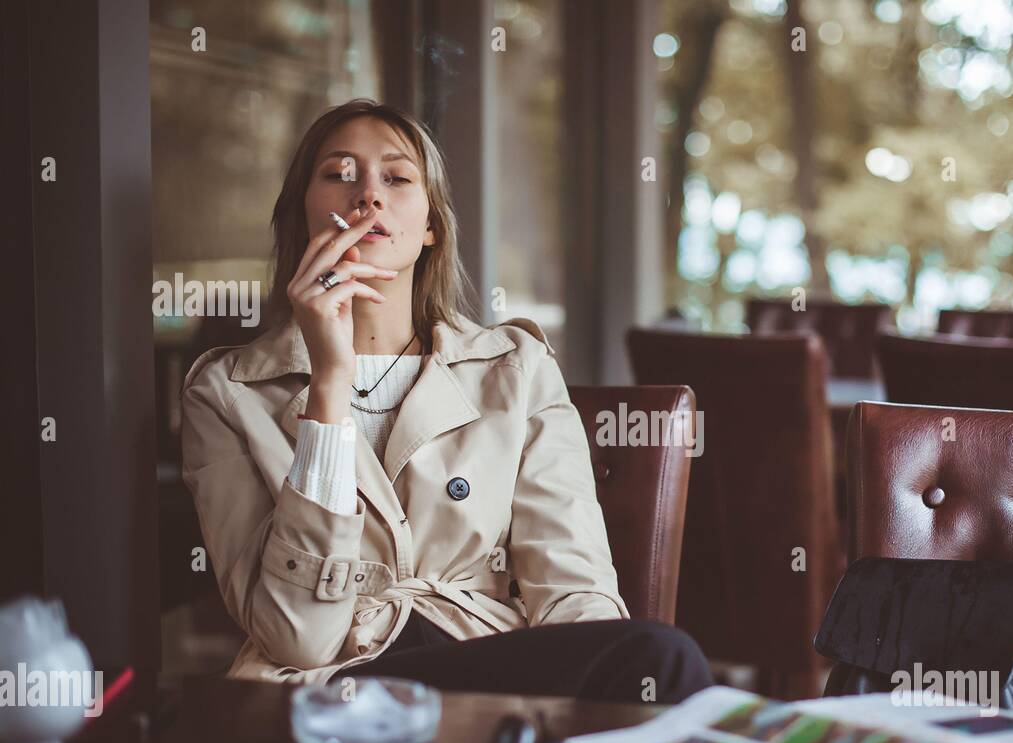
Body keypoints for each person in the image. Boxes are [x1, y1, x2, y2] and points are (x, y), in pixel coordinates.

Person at [180, 99, 712, 705]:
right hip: (332, 691)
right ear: (303, 216)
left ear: (430, 225)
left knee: (661, 658)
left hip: (485, 669)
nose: (368, 196)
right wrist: (328, 381)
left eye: (397, 178)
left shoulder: (516, 368)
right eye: (339, 174)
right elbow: (297, 637)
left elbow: (572, 590)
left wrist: (598, 698)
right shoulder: (226, 392)